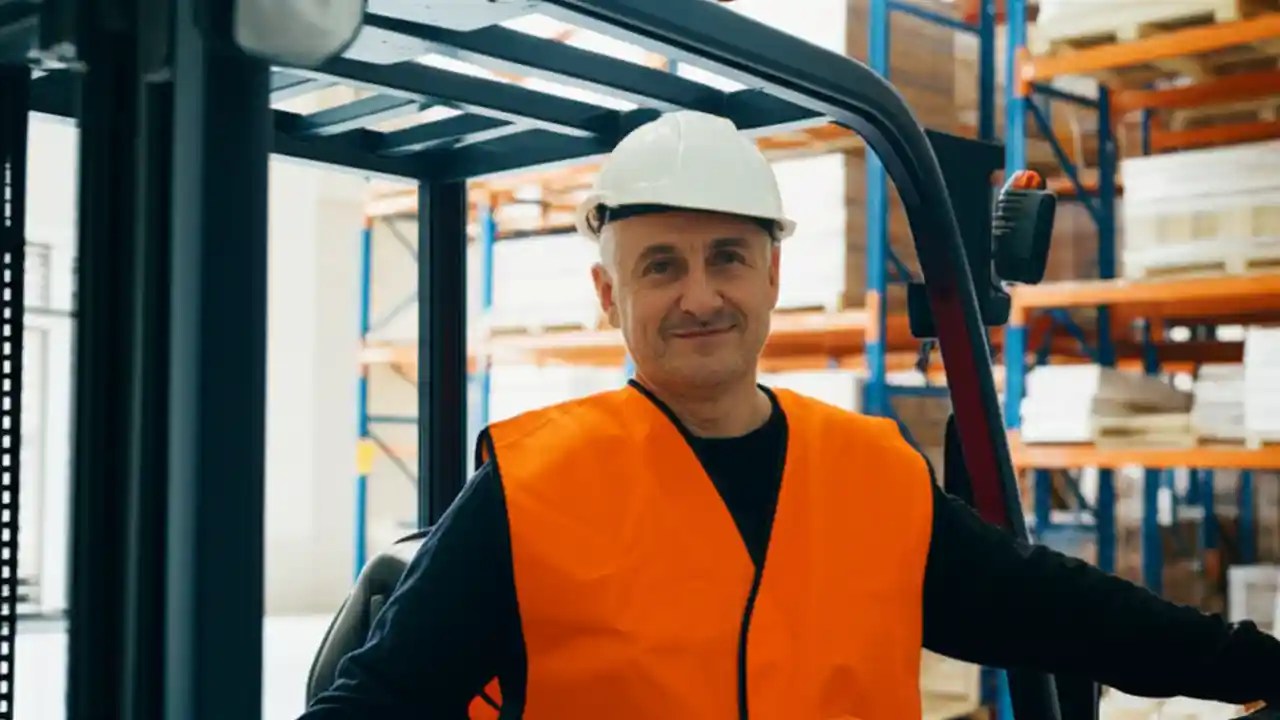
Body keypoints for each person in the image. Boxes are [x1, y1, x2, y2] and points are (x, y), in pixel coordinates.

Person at [300, 110, 1280, 719]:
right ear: (609, 299)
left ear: (771, 273)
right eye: (660, 266)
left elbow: (1065, 614)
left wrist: (1253, 666)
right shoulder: (528, 490)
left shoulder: (872, 473)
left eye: (725, 256)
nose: (698, 297)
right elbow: (378, 702)